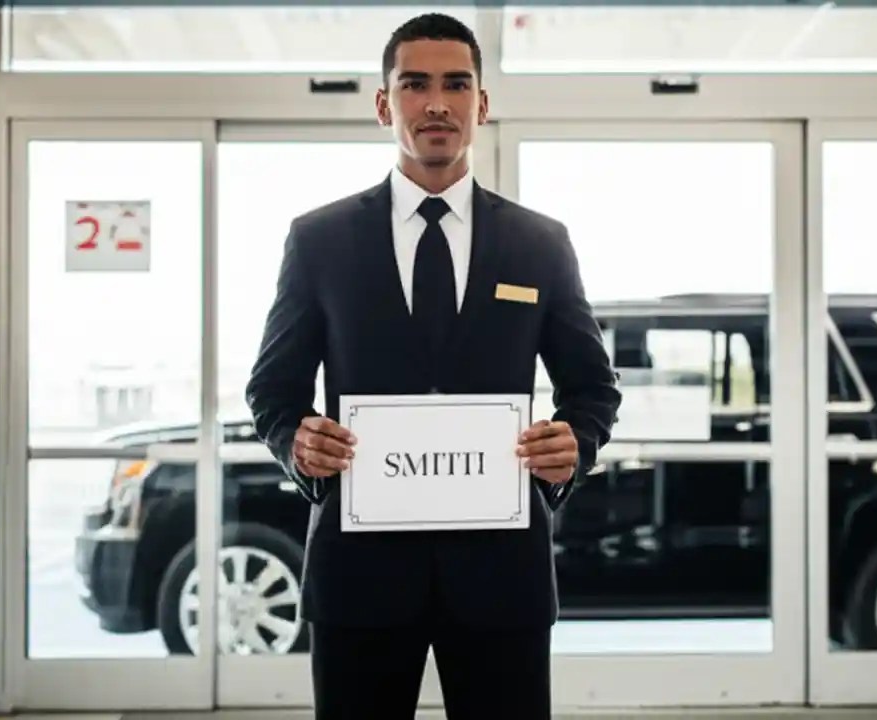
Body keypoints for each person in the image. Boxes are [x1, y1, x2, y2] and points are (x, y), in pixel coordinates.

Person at [245, 12, 621, 719]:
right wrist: (297, 442)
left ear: (482, 104)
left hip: (501, 576)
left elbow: (593, 388)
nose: (437, 103)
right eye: (415, 84)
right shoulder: (319, 241)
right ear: (384, 104)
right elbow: (272, 390)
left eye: (456, 84)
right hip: (360, 575)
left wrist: (576, 442)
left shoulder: (540, 244)